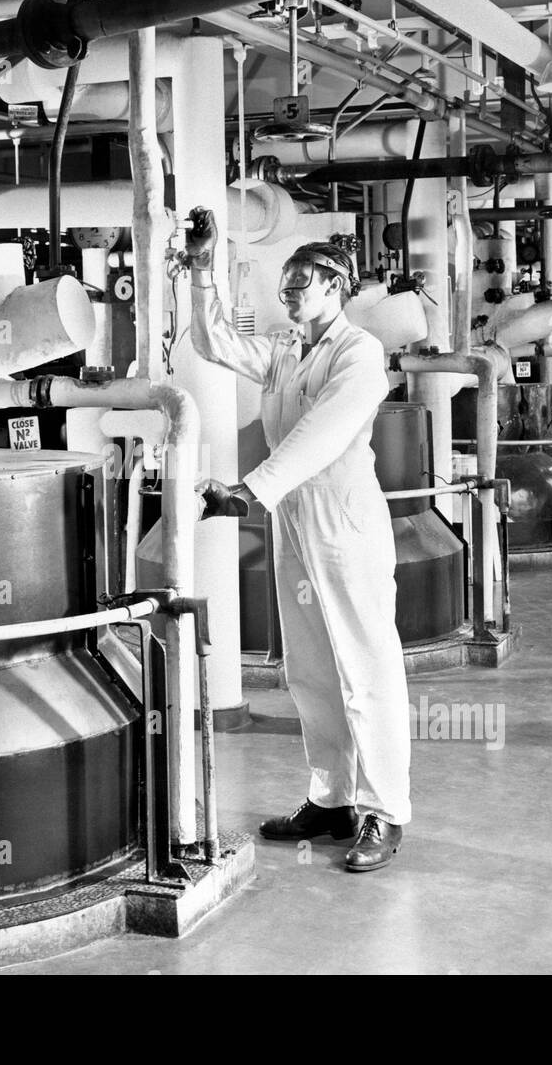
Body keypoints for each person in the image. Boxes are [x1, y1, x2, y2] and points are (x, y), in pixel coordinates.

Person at [186, 208, 410, 873]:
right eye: (287, 279)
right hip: (293, 525)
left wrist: (250, 490)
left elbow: (325, 432)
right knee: (309, 668)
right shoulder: (289, 350)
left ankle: (384, 809)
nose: (290, 288)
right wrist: (202, 273)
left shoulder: (359, 353)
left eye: (304, 277)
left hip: (344, 526)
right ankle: (333, 797)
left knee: (363, 667)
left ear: (336, 283)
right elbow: (214, 344)